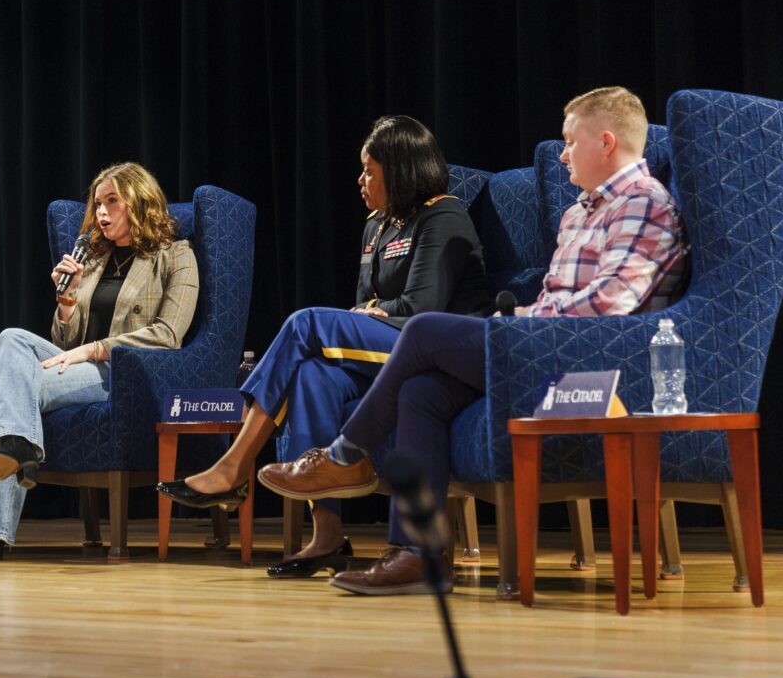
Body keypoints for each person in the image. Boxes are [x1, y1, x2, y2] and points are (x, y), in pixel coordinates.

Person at [262, 86, 689, 595]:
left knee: (422, 329)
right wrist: (523, 319)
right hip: (539, 342)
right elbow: (557, 299)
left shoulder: (643, 202)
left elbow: (609, 306)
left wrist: (516, 326)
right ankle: (419, 556)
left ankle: (345, 454)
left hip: (587, 357)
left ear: (606, 141)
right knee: (420, 391)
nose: (562, 152)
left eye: (570, 141)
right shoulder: (578, 212)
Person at [156, 116, 491, 578]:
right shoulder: (376, 226)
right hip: (387, 346)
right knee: (313, 374)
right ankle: (328, 534)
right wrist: (371, 312)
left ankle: (235, 465)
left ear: (401, 169)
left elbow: (420, 308)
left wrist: (373, 311)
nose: (360, 180)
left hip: (435, 350)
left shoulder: (443, 215)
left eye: (370, 170)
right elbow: (363, 304)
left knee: (307, 324)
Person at [0, 162, 198, 562]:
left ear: (140, 202)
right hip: (79, 362)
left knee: (14, 392)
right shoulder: (94, 258)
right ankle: (17, 448)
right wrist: (67, 300)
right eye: (97, 203)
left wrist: (95, 349)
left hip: (125, 373)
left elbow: (168, 334)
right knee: (12, 337)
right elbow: (65, 341)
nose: (101, 212)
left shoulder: (175, 256)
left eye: (112, 201)